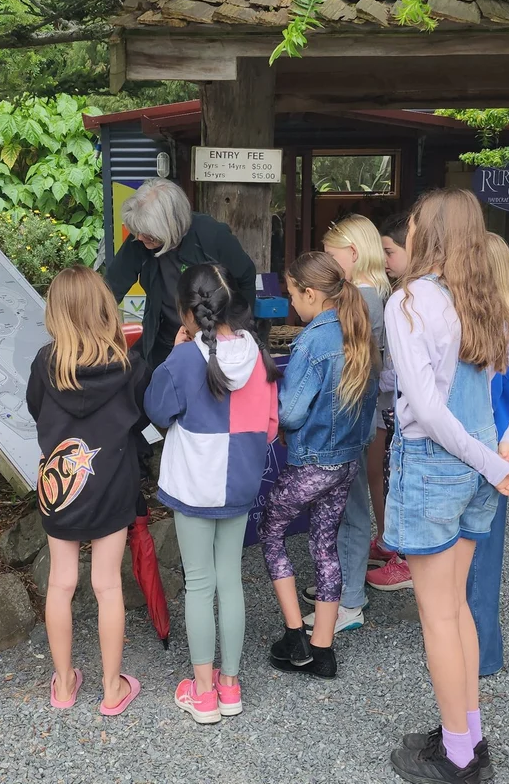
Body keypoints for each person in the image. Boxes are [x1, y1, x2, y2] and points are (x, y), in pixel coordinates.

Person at [383, 189, 509, 783]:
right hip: (477, 470)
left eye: (413, 224)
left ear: (427, 233)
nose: (407, 232)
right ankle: (467, 734)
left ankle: (459, 758)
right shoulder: (480, 301)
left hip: (435, 468)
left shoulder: (410, 301)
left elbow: (427, 411)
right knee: (456, 606)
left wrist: (496, 459)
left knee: (437, 615)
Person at [145, 263, 281, 724]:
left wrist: (173, 354)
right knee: (230, 580)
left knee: (199, 583)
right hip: (240, 481)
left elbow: (157, 409)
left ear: (187, 312)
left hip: (194, 483)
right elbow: (270, 425)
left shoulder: (186, 359)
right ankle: (230, 685)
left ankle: (203, 694)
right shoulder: (258, 353)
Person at [25, 267, 150, 716]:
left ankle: (63, 684)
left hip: (61, 482)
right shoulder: (129, 364)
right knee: (107, 584)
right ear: (103, 307)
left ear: (56, 311)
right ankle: (112, 689)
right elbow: (142, 418)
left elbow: (35, 409)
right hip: (112, 480)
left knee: (61, 583)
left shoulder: (45, 363)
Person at [260, 252, 378, 679]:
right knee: (325, 544)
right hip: (345, 462)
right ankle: (322, 649)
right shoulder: (357, 329)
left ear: (311, 293)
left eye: (293, 294)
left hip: (311, 461)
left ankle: (295, 635)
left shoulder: (313, 342)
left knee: (270, 531)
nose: (291, 303)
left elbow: (291, 413)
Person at [303, 215, 390, 635]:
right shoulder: (375, 295)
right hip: (361, 416)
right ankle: (339, 590)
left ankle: (349, 601)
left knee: (349, 510)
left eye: (331, 254)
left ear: (353, 253)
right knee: (346, 506)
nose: (327, 263)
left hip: (351, 419)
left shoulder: (361, 298)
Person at [106, 178, 257, 370]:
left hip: (216, 341)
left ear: (170, 226)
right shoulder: (140, 240)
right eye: (137, 231)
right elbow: (111, 288)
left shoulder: (212, 236)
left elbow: (246, 276)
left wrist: (239, 330)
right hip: (164, 340)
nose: (139, 237)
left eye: (147, 233)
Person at [469, 231, 509, 677]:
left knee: (474, 558)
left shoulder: (490, 333)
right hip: (501, 452)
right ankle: (479, 647)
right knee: (483, 556)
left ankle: (478, 653)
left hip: (484, 455)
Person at [366, 210, 415, 594]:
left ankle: (408, 560)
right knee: (390, 474)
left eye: (389, 251)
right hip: (398, 402)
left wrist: (376, 379)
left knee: (404, 478)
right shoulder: (400, 293)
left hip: (408, 407)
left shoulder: (408, 298)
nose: (384, 259)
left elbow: (407, 365)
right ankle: (393, 545)